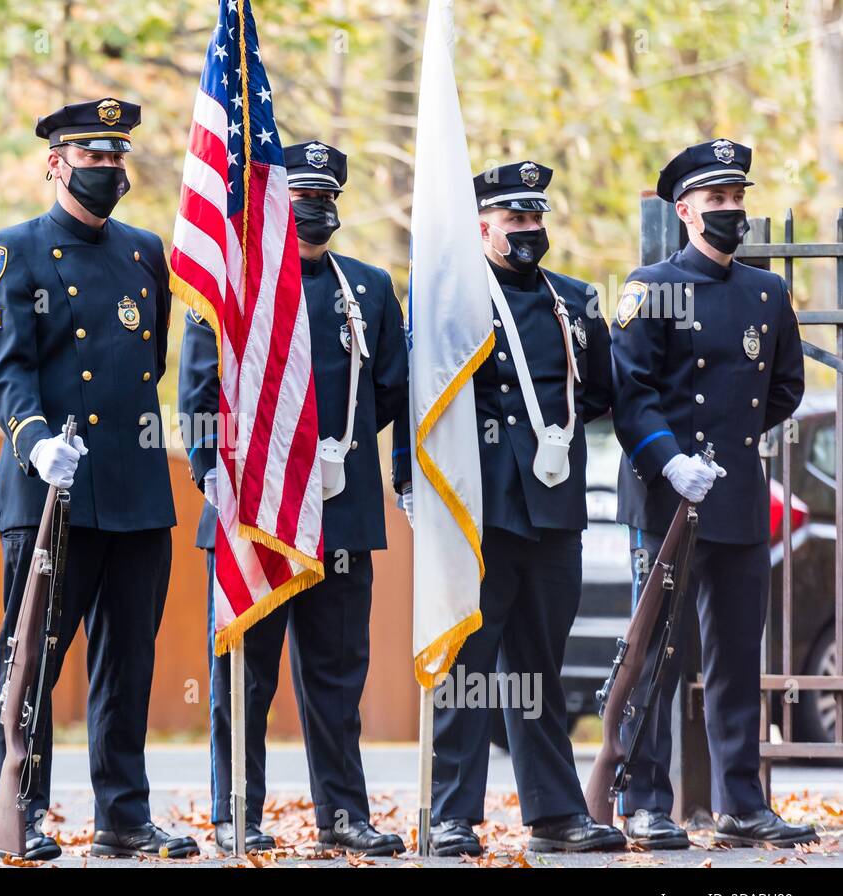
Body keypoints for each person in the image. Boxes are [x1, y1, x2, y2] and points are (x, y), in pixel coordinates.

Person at [0, 97, 197, 860]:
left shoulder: (143, 253)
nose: (107, 170)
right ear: (56, 162)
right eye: (93, 157)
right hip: (50, 492)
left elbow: (152, 361)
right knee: (32, 655)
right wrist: (35, 443)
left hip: (134, 489)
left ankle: (124, 816)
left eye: (116, 158)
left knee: (129, 660)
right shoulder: (16, 251)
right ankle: (22, 808)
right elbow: (8, 373)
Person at [179, 140, 412, 856]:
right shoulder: (235, 282)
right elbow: (197, 389)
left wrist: (319, 447)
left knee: (338, 678)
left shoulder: (369, 288)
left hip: (339, 511)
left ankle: (343, 814)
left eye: (324, 200)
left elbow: (392, 393)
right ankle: (235, 811)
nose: (316, 212)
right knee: (243, 681)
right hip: (254, 508)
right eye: (301, 200)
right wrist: (211, 468)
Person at [610, 138, 817, 849]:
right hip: (667, 502)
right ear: (685, 210)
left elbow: (786, 386)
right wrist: (671, 460)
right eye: (717, 200)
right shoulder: (649, 286)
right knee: (657, 658)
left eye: (738, 199)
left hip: (732, 497)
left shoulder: (767, 292)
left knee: (736, 657)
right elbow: (629, 396)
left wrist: (728, 442)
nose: (731, 211)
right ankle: (644, 802)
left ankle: (741, 801)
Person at [427, 161, 625, 856]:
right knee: (469, 665)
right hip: (479, 510)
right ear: (483, 227)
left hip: (553, 508)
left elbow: (602, 390)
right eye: (515, 221)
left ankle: (554, 815)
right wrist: (409, 485)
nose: (529, 231)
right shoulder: (452, 301)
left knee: (540, 664)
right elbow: (422, 402)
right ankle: (450, 815)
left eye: (536, 218)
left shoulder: (574, 299)